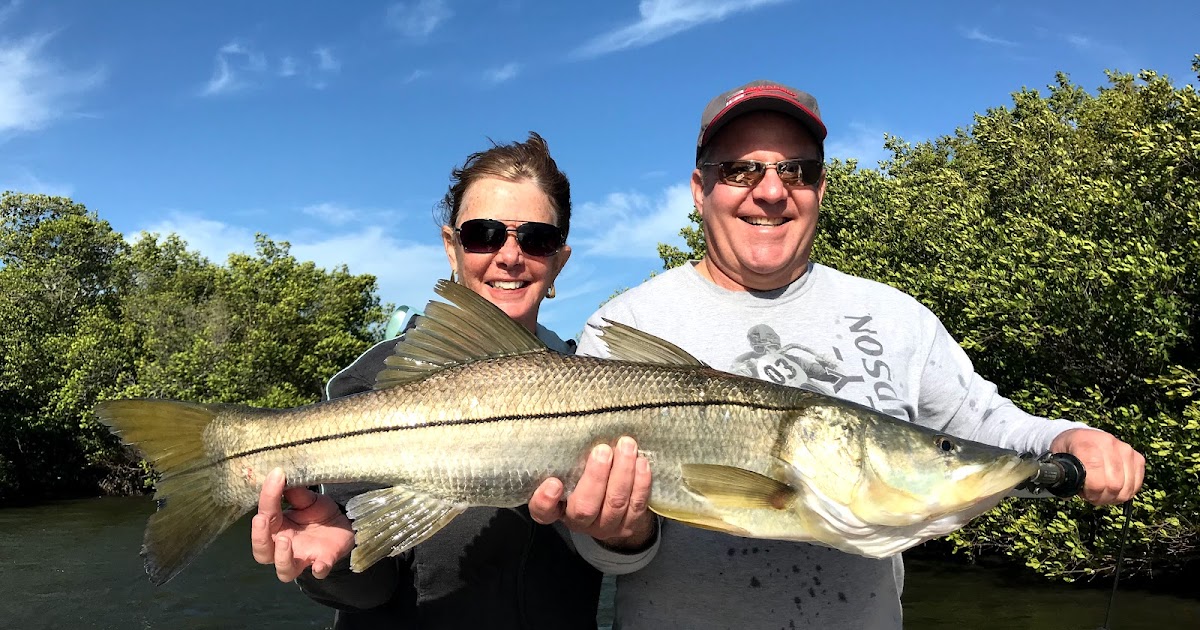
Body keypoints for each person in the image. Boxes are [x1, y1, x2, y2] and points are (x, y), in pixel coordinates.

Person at [528, 80, 1146, 628]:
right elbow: (596, 547)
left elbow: (986, 426)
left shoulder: (897, 317)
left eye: (796, 170)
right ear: (700, 188)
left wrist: (1069, 436)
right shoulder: (624, 322)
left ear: (820, 187)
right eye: (741, 170)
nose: (770, 192)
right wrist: (620, 536)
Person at [250, 132, 607, 629]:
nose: (508, 256)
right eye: (483, 234)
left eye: (536, 238)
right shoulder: (372, 381)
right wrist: (330, 560)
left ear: (559, 260)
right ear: (451, 246)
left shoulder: (602, 383)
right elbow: (372, 586)